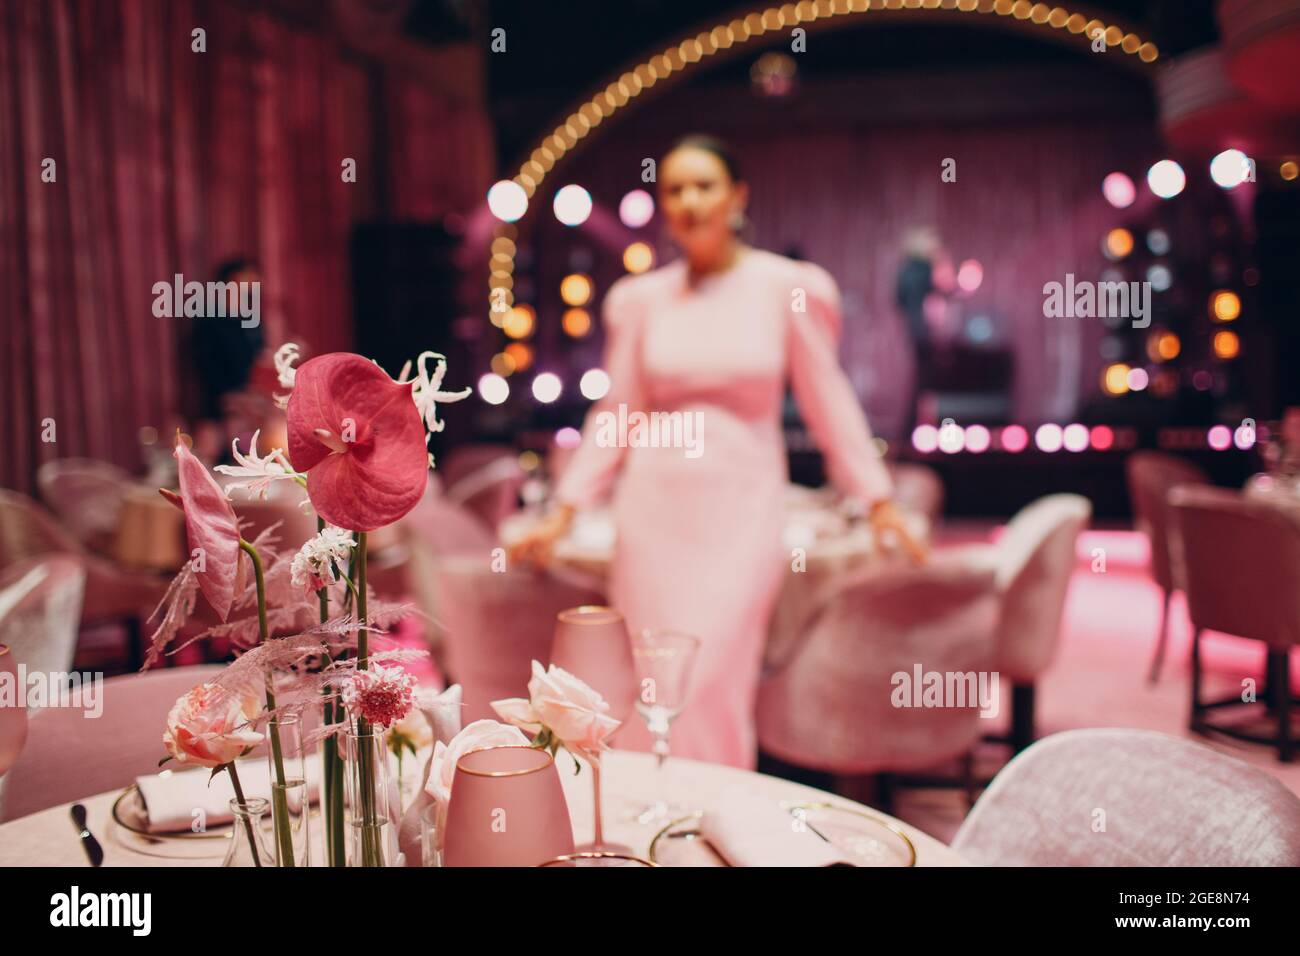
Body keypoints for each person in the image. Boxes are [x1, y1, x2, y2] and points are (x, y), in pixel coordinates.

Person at [510, 135, 922, 768]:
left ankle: (713, 830)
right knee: (650, 679)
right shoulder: (642, 299)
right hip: (652, 514)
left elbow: (828, 400)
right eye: (674, 189)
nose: (689, 201)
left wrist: (877, 499)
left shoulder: (786, 287)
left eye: (704, 185)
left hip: (740, 513)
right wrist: (565, 510)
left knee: (711, 680)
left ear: (737, 196)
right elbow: (618, 412)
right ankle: (653, 820)